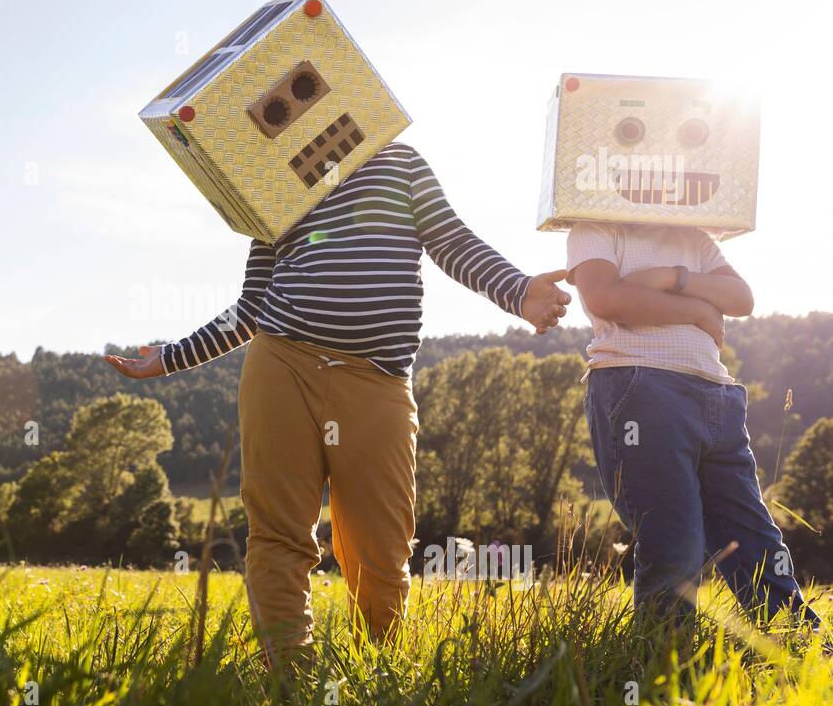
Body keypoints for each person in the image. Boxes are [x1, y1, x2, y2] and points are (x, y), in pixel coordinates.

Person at [105, 141, 570, 668]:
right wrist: (171, 357)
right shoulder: (273, 181)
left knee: (382, 543)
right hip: (282, 364)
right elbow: (254, 303)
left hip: (377, 383)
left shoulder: (399, 162)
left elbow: (451, 241)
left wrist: (518, 290)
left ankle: (377, 667)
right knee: (278, 532)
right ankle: (288, 673)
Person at [567, 220, 821, 628]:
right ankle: (667, 655)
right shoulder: (597, 229)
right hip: (642, 386)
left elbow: (741, 298)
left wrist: (673, 278)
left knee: (752, 531)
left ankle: (795, 640)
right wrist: (698, 307)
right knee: (674, 541)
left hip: (715, 392)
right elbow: (605, 297)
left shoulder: (694, 239)